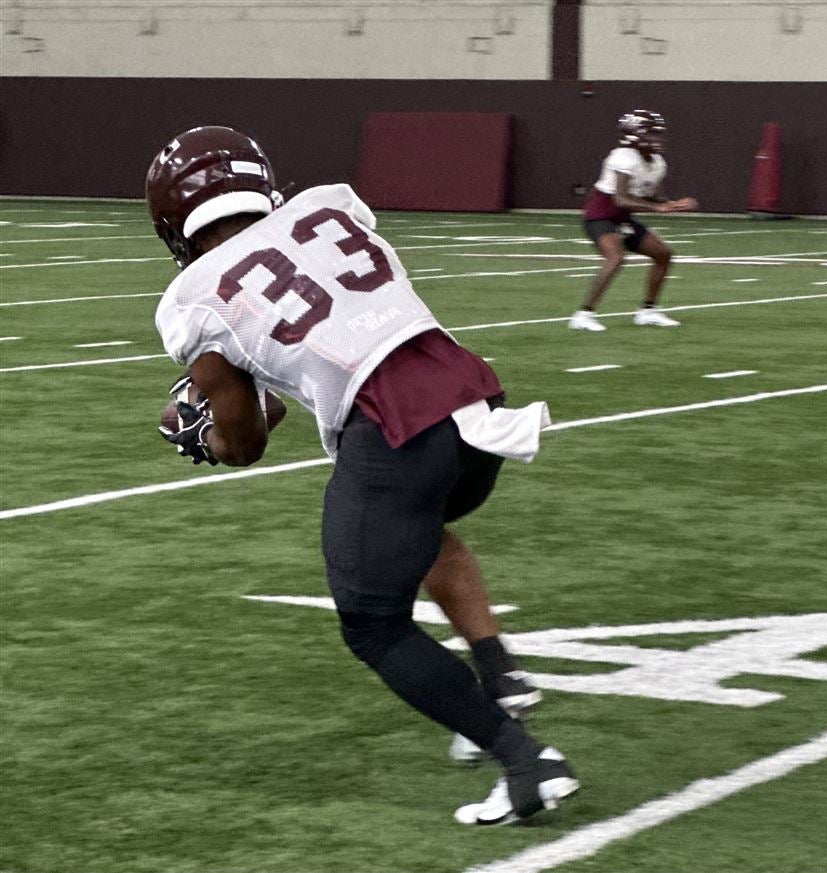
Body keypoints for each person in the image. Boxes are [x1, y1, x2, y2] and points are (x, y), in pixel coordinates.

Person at [148, 126, 578, 825]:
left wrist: (205, 433)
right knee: (420, 532)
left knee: (373, 624)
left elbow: (248, 441)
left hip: (397, 428)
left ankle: (525, 759)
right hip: (471, 397)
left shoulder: (192, 298)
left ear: (172, 223)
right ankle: (499, 673)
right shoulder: (332, 207)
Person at [568, 109, 698, 332]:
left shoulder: (657, 162)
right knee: (616, 257)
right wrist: (658, 208)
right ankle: (584, 314)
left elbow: (653, 195)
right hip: (600, 215)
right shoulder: (622, 157)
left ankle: (648, 310)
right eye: (652, 134)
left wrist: (675, 204)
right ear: (635, 137)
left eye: (658, 134)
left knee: (664, 254)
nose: (657, 139)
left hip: (622, 217)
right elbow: (620, 199)